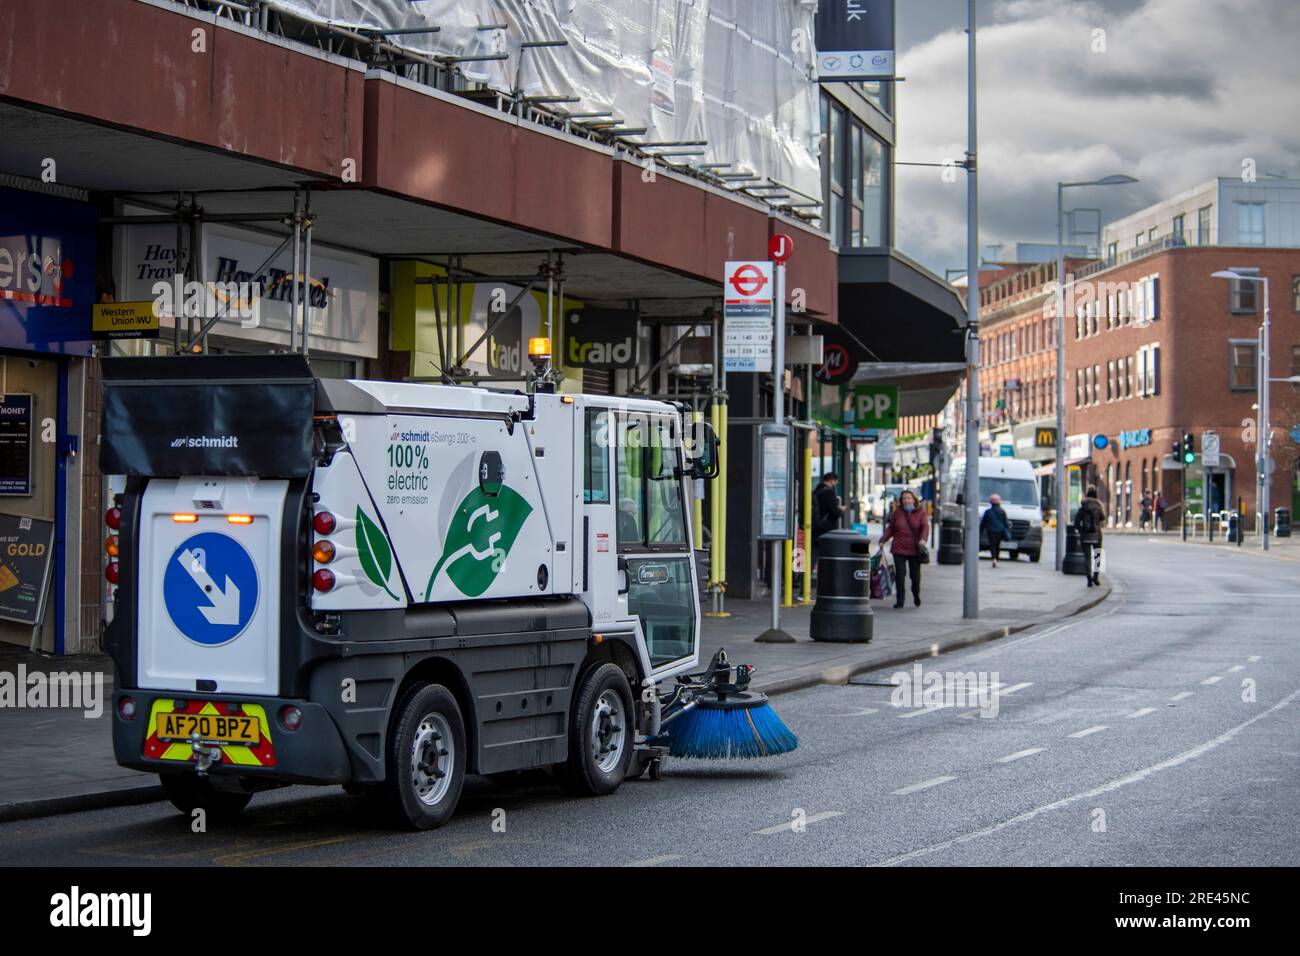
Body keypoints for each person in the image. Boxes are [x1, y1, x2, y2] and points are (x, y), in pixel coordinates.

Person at [879, 488, 929, 608]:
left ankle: (916, 594)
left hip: (915, 549)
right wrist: (883, 540)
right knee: (900, 575)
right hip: (899, 548)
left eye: (908, 498)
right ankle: (900, 600)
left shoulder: (921, 512)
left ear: (913, 500)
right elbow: (891, 528)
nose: (906, 500)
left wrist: (923, 539)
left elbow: (925, 527)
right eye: (904, 498)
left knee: (915, 576)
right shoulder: (897, 512)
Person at [1074, 486, 1106, 587]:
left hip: (1085, 535)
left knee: (1087, 557)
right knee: (1097, 556)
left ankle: (1089, 579)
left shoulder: (1083, 506)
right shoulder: (1098, 505)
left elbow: (1076, 522)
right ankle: (1096, 577)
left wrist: (1081, 530)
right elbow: (1103, 517)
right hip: (1096, 535)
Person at [980, 493, 1012, 567]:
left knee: (992, 545)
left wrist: (980, 531)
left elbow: (983, 523)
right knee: (997, 545)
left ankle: (994, 558)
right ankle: (996, 558)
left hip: (991, 531)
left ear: (991, 502)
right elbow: (1005, 522)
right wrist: (1008, 530)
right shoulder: (1002, 511)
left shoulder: (987, 512)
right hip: (1000, 531)